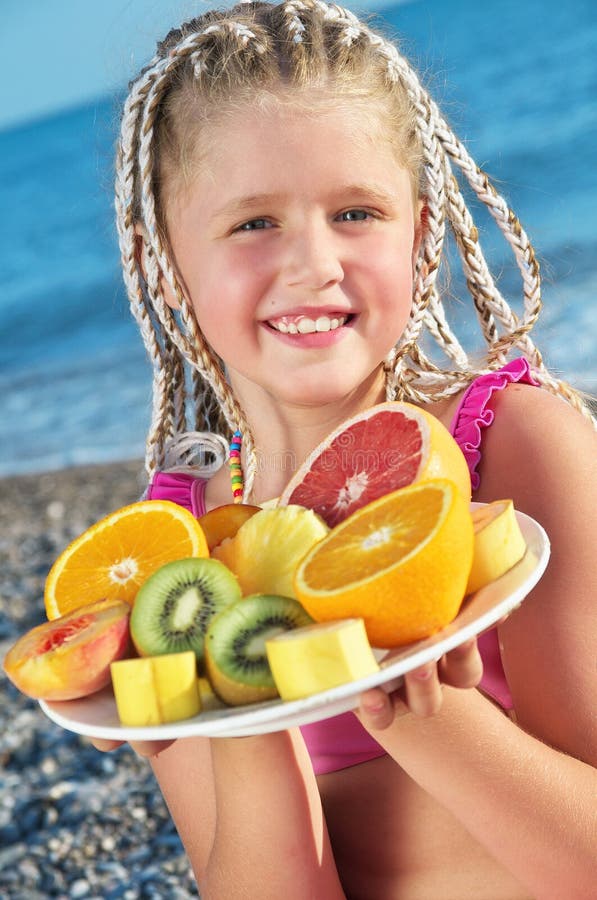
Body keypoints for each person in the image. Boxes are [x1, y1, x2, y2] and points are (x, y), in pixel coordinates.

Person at [93, 2, 597, 896]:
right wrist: (232, 713)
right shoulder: (176, 559)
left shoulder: (514, 451)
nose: (313, 263)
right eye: (253, 224)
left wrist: (425, 716)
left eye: (356, 211)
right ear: (162, 256)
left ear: (420, 227)